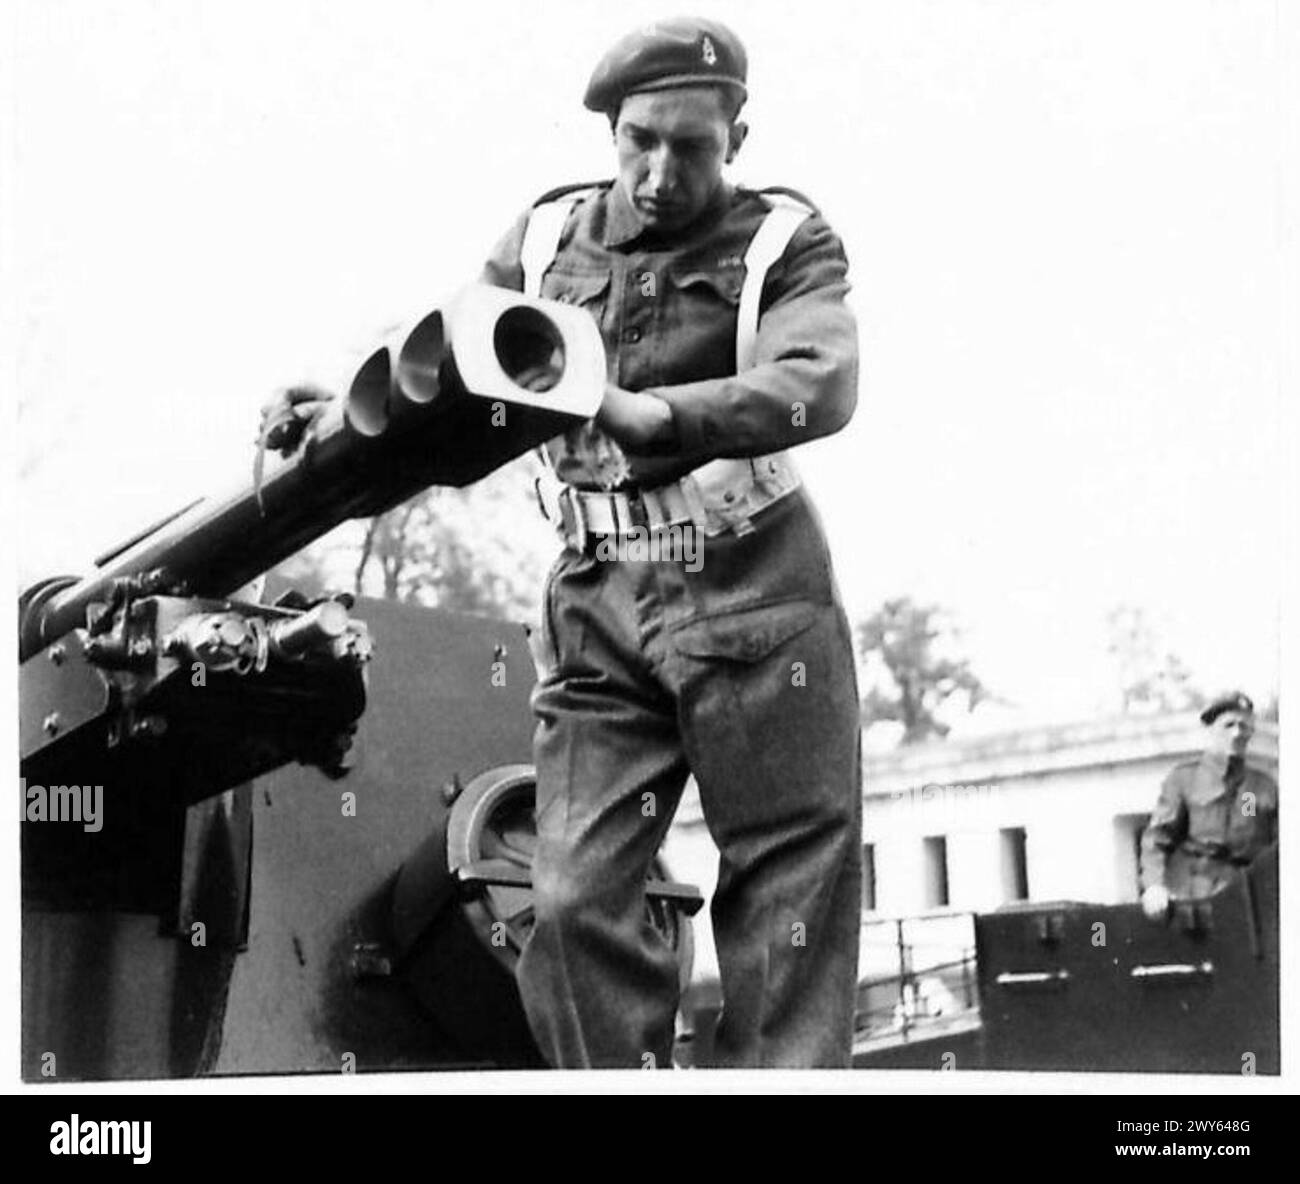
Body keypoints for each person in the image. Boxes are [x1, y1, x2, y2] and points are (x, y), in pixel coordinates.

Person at [263, 16, 864, 1069]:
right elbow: (445, 373)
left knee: (788, 888)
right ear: (610, 132)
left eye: (692, 146)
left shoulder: (783, 243)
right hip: (595, 600)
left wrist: (660, 418)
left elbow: (817, 379)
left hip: (754, 592)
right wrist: (331, 414)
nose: (661, 171)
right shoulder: (547, 242)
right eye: (639, 141)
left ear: (738, 136)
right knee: (572, 891)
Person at [1139, 691, 1278, 920]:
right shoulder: (1184, 779)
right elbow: (1156, 839)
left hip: (1250, 898)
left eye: (1244, 726)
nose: (1237, 733)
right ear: (1210, 730)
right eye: (1228, 725)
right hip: (1195, 897)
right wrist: (1154, 886)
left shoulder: (1260, 786)